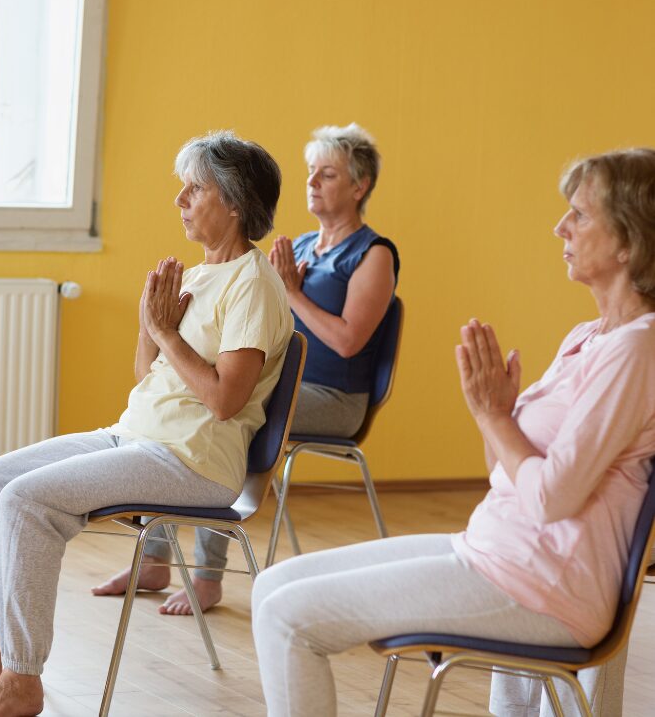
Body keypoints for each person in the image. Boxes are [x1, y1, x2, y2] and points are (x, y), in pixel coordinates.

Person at [0, 131, 293, 717]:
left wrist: (163, 333)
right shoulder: (195, 274)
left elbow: (224, 401)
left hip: (195, 462)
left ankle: (22, 678)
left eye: (196, 188)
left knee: (28, 501)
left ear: (234, 202)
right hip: (138, 437)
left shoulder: (254, 285)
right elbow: (148, 380)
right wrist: (147, 329)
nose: (180, 199)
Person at [251, 147, 655, 716]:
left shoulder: (638, 348)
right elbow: (506, 476)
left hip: (542, 585)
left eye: (581, 215)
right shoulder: (587, 337)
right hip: (497, 551)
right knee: (271, 588)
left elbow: (550, 497)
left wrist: (494, 416)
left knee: (286, 619)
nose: (560, 225)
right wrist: (498, 415)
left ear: (630, 241)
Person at [93, 123, 399, 615]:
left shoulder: (373, 255)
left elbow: (348, 342)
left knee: (218, 419)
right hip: (273, 382)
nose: (313, 183)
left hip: (332, 397)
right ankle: (155, 557)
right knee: (188, 410)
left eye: (328, 175)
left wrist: (293, 292)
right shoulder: (295, 249)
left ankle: (208, 578)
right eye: (310, 174)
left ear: (359, 187)